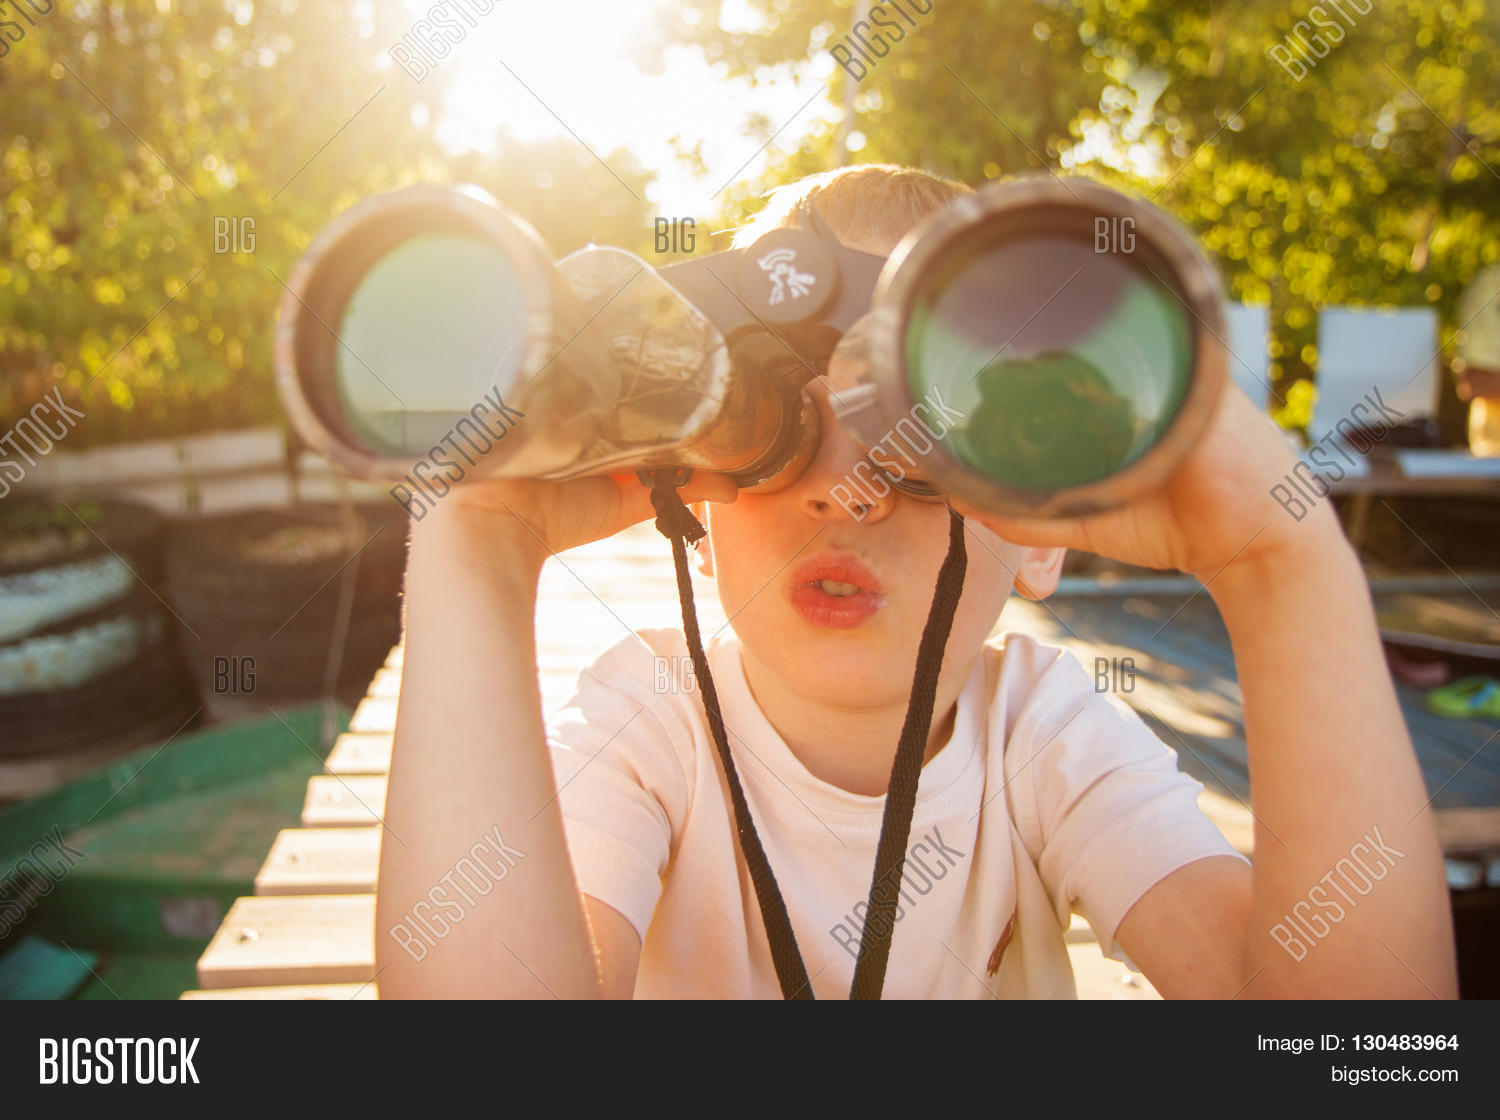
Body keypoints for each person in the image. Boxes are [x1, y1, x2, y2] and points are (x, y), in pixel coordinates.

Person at [377, 163, 1457, 999]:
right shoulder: (647, 727)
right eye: (783, 427)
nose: (851, 491)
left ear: (1046, 536)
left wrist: (1279, 563)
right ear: (694, 497)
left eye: (933, 431)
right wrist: (477, 543)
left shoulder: (1048, 737)